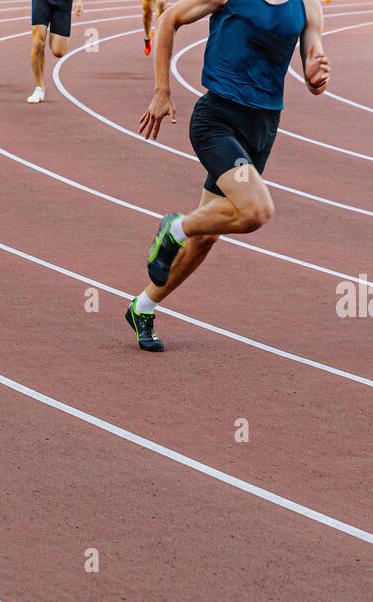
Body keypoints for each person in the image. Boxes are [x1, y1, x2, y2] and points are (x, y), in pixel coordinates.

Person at [127, 0, 329, 352]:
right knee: (256, 210)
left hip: (263, 127)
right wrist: (162, 91)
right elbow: (169, 19)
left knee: (208, 236)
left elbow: (314, 71)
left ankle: (142, 307)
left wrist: (315, 77)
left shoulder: (307, 5)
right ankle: (174, 228)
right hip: (218, 120)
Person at [28, 0, 81, 103]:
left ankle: (53, 29)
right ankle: (39, 87)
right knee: (38, 43)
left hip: (63, 3)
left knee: (59, 52)